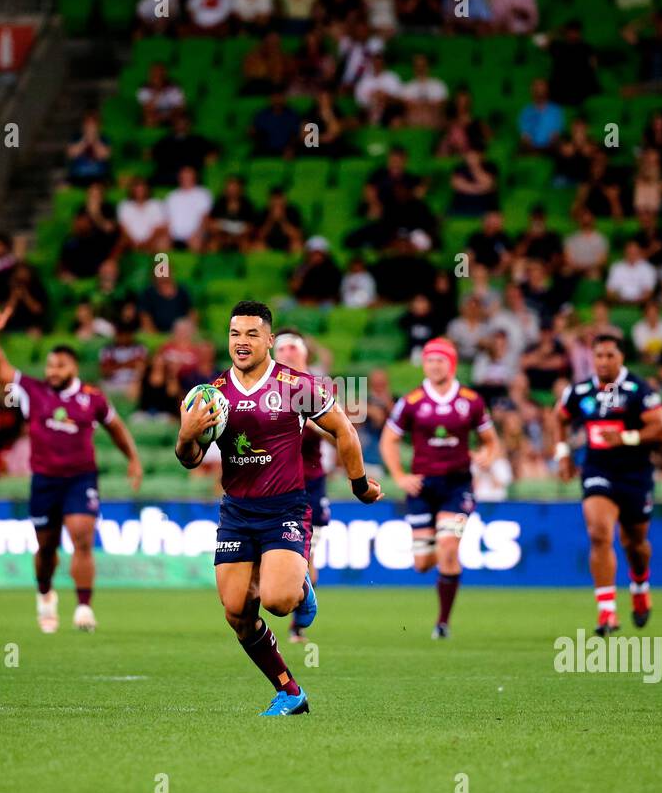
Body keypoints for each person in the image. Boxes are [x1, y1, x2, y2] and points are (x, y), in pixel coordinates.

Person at [174, 300, 381, 716]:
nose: (242, 342)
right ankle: (289, 690)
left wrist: (358, 485)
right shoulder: (212, 395)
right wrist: (186, 434)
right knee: (237, 613)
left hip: (285, 508)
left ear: (269, 339)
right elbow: (190, 459)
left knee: (279, 602)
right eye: (235, 334)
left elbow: (343, 428)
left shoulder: (297, 384)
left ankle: (301, 586)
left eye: (252, 334)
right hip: (236, 512)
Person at [0, 308, 143, 634]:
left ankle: (84, 607)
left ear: (74, 367)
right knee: (46, 548)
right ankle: (45, 595)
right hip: (44, 480)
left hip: (81, 478)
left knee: (82, 536)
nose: (52, 371)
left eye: (60, 365)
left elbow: (116, 427)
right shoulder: (32, 392)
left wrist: (133, 458)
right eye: (50, 365)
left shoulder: (92, 398)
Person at [380, 337, 500, 640]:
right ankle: (436, 547)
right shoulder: (412, 401)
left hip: (457, 486)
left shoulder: (471, 400)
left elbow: (491, 441)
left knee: (449, 548)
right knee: (422, 564)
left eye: (440, 360)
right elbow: (388, 440)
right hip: (421, 487)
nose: (434, 365)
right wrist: (399, 476)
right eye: (430, 359)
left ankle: (443, 623)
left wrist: (487, 455)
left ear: (452, 363)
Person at [556, 334, 662, 636]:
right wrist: (563, 454)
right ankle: (607, 611)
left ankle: (639, 584)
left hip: (635, 473)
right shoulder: (580, 391)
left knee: (635, 544)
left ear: (621, 358)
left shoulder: (638, 390)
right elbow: (559, 417)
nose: (603, 362)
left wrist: (627, 437)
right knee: (598, 533)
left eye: (609, 355)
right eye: (598, 356)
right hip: (598, 469)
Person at [273, 330, 331, 643]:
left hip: (311, 484)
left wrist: (307, 420)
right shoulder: (265, 388)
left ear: (305, 354)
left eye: (294, 348)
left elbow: (340, 433)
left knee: (307, 555)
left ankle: (299, 624)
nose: (288, 353)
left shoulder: (318, 390)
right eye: (282, 348)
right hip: (274, 483)